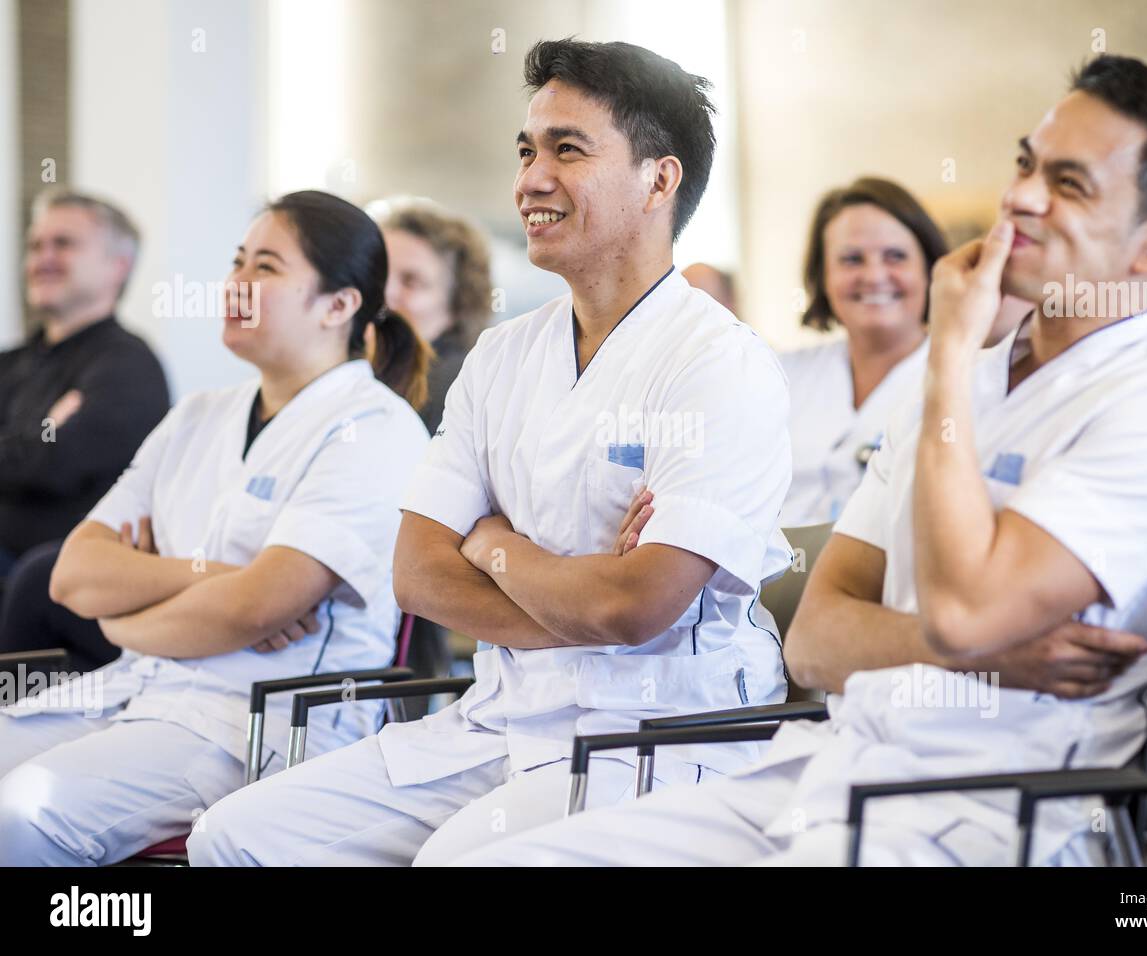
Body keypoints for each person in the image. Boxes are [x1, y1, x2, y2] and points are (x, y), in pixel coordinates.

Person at [449, 54, 1147, 867]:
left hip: (994, 809)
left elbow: (963, 615)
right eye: (1025, 163)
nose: (1020, 198)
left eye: (1070, 184)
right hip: (831, 767)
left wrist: (943, 356)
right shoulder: (974, 380)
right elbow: (818, 643)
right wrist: (970, 651)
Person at [188, 38, 791, 867]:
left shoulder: (718, 362)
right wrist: (576, 591)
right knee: (237, 835)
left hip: (657, 732)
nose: (531, 179)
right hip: (502, 717)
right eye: (527, 149)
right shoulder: (504, 356)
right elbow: (419, 574)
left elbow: (635, 607)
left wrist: (494, 543)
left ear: (660, 178)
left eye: (567, 149)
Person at [0, 190, 430, 865]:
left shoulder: (375, 430)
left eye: (266, 267)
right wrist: (214, 581)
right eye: (236, 263)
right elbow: (75, 574)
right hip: (136, 689)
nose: (236, 284)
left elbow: (256, 608)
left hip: (257, 727)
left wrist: (129, 610)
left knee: (23, 815)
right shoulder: (200, 414)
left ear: (338, 305)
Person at [0, 190, 168, 578]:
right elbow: (33, 455)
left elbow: (50, 465)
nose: (43, 259)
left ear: (118, 266)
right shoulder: (11, 363)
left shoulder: (128, 366)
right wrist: (35, 435)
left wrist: (28, 445)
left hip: (59, 581)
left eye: (63, 244)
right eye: (35, 245)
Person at [779, 178, 947, 525]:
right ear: (822, 276)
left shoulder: (967, 378)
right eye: (852, 259)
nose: (874, 276)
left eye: (895, 256)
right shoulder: (777, 376)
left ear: (930, 269)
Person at [368, 195, 493, 431]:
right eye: (378, 273)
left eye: (411, 281)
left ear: (458, 306)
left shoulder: (454, 388)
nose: (385, 293)